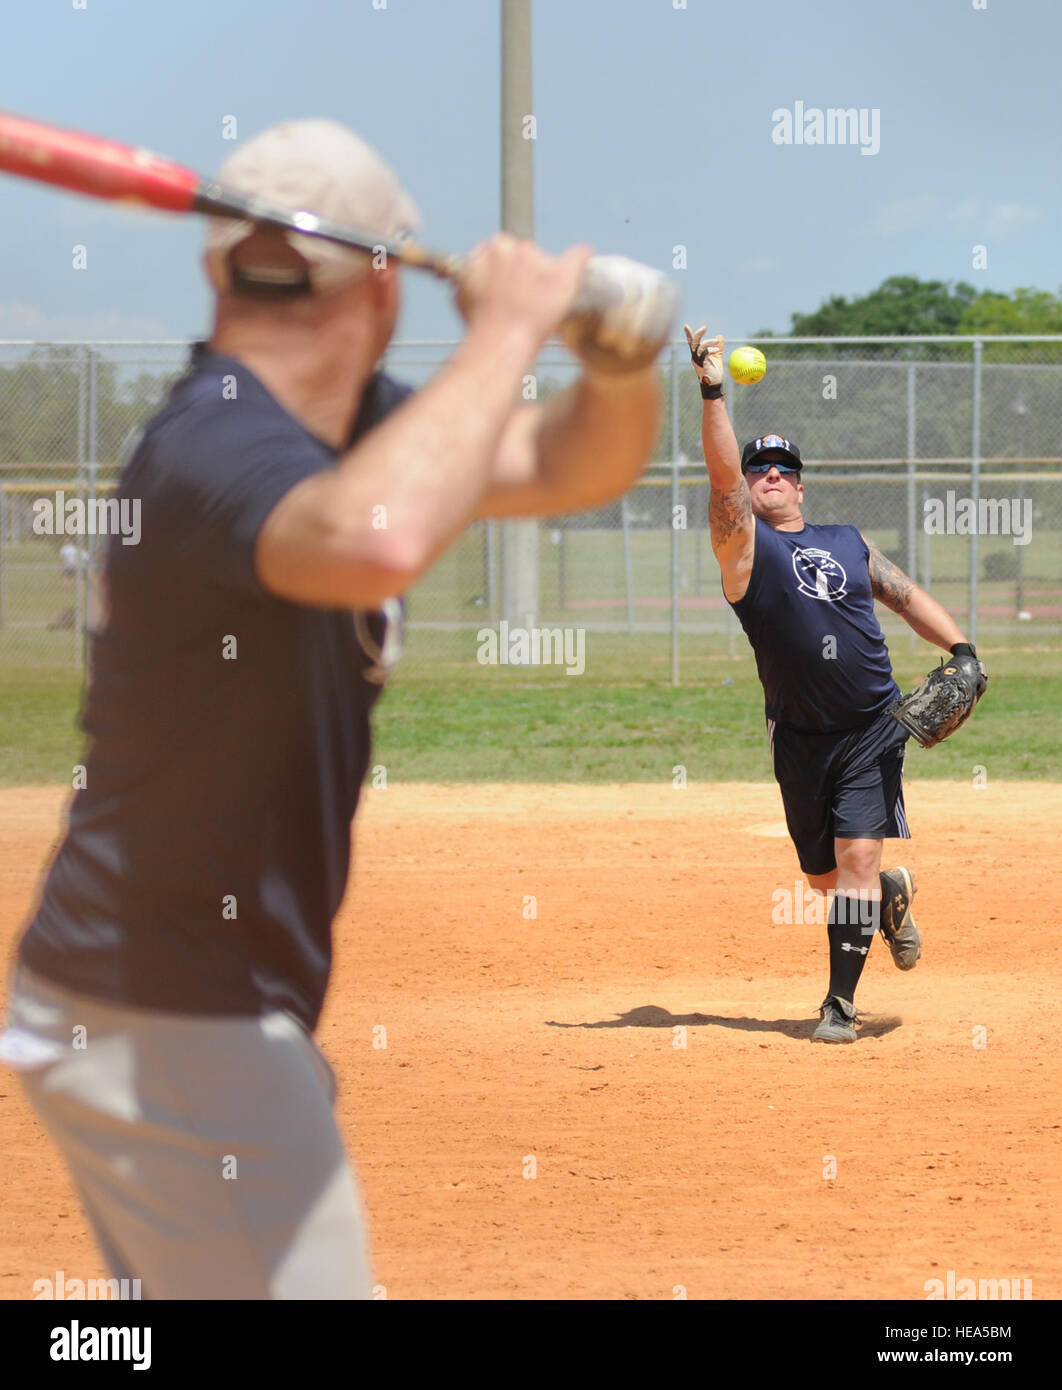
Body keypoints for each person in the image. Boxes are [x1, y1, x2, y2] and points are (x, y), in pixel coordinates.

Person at [0, 118, 665, 1300]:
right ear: (383, 277)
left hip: (167, 1001)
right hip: (169, 1010)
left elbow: (573, 466)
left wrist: (614, 365)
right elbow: (377, 537)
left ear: (220, 264)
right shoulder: (214, 443)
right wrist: (509, 330)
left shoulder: (345, 429)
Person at [684, 325, 984, 1044]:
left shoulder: (848, 543)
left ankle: (838, 1005)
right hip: (799, 738)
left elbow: (906, 597)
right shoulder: (743, 551)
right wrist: (712, 389)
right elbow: (722, 482)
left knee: (855, 859)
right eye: (762, 469)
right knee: (827, 881)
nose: (772, 477)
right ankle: (888, 896)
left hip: (874, 725)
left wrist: (963, 649)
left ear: (802, 482)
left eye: (784, 468)